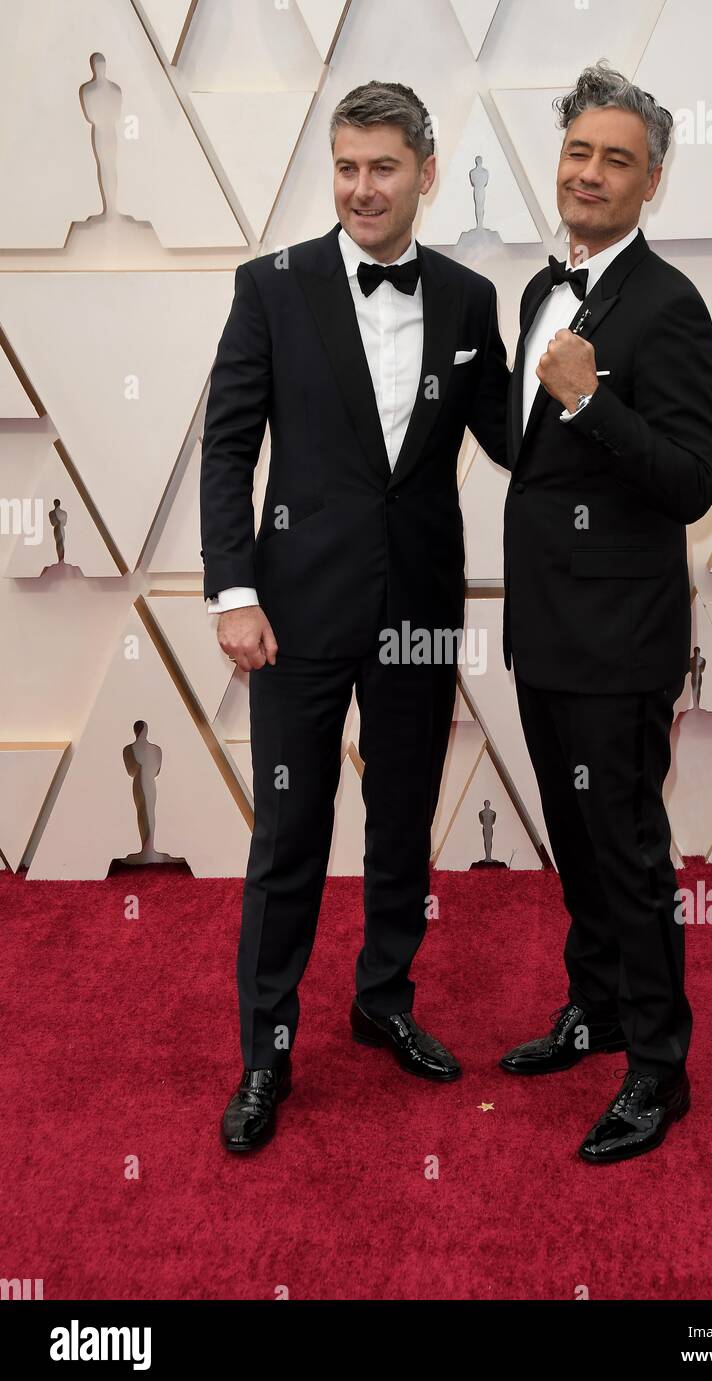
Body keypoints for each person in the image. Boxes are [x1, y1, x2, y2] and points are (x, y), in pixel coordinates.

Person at [200, 80, 509, 1154]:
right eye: (345, 167)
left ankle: (383, 997)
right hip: (292, 609)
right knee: (289, 829)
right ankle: (265, 1050)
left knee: (401, 816)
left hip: (416, 604)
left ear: (426, 170)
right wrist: (232, 591)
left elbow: (513, 437)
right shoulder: (269, 287)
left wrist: (591, 369)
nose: (361, 188)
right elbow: (229, 446)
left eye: (382, 167)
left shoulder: (470, 299)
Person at [498, 61, 712, 1163]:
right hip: (542, 627)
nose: (588, 173)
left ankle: (656, 1067)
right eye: (577, 152)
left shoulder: (668, 306)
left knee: (627, 850)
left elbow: (688, 479)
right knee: (574, 842)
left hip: (619, 638)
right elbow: (532, 458)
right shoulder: (543, 289)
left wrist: (591, 398)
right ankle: (595, 1009)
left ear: (652, 183)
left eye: (614, 160)